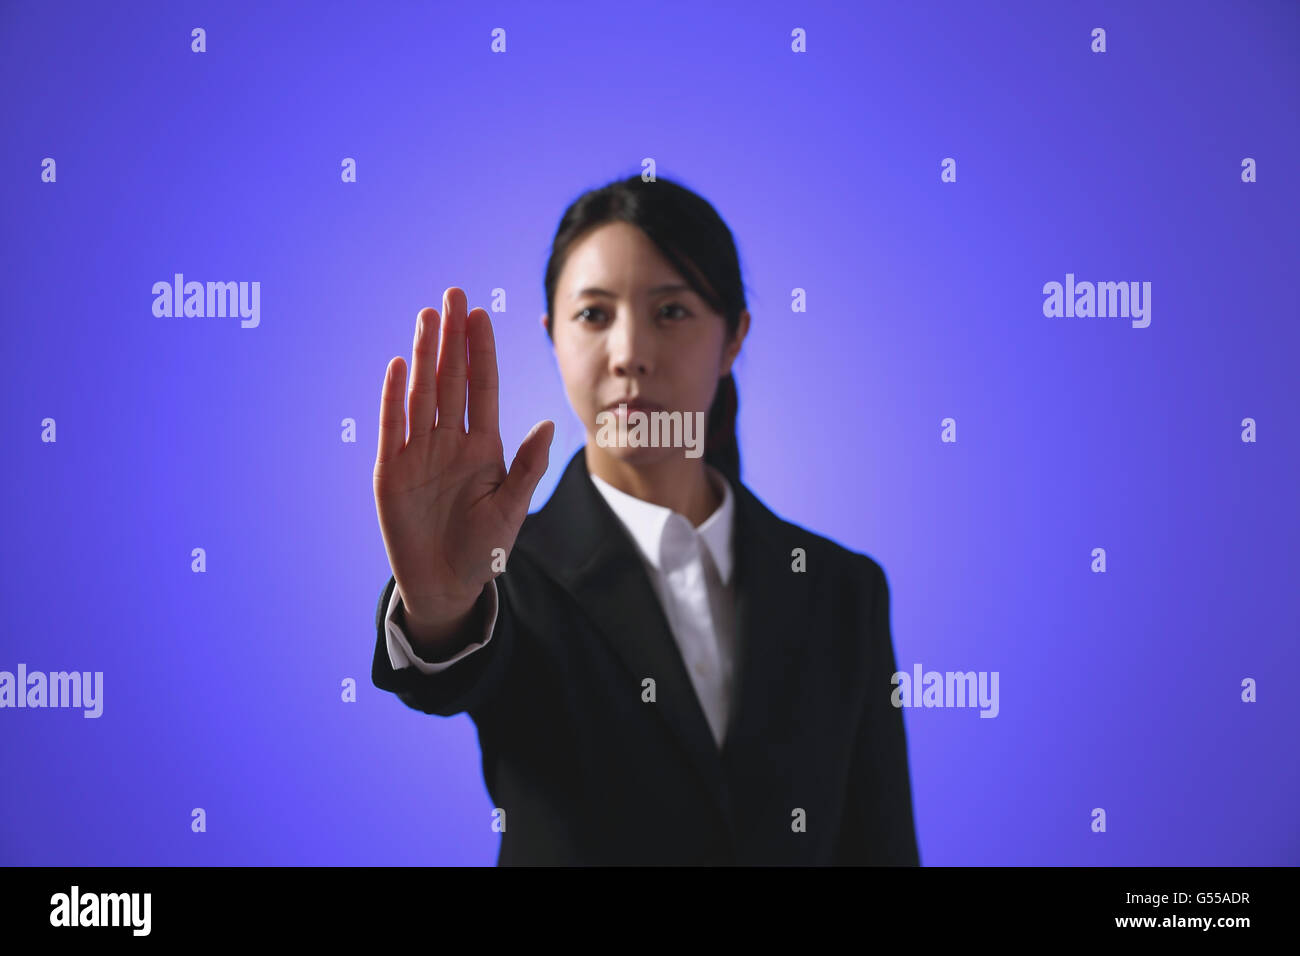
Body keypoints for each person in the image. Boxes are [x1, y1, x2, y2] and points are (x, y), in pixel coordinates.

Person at [370, 174, 920, 865]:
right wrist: (443, 603)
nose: (630, 353)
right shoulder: (507, 572)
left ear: (733, 339)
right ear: (552, 337)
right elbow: (446, 673)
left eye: (672, 312)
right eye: (594, 315)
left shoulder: (844, 590)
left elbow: (881, 848)